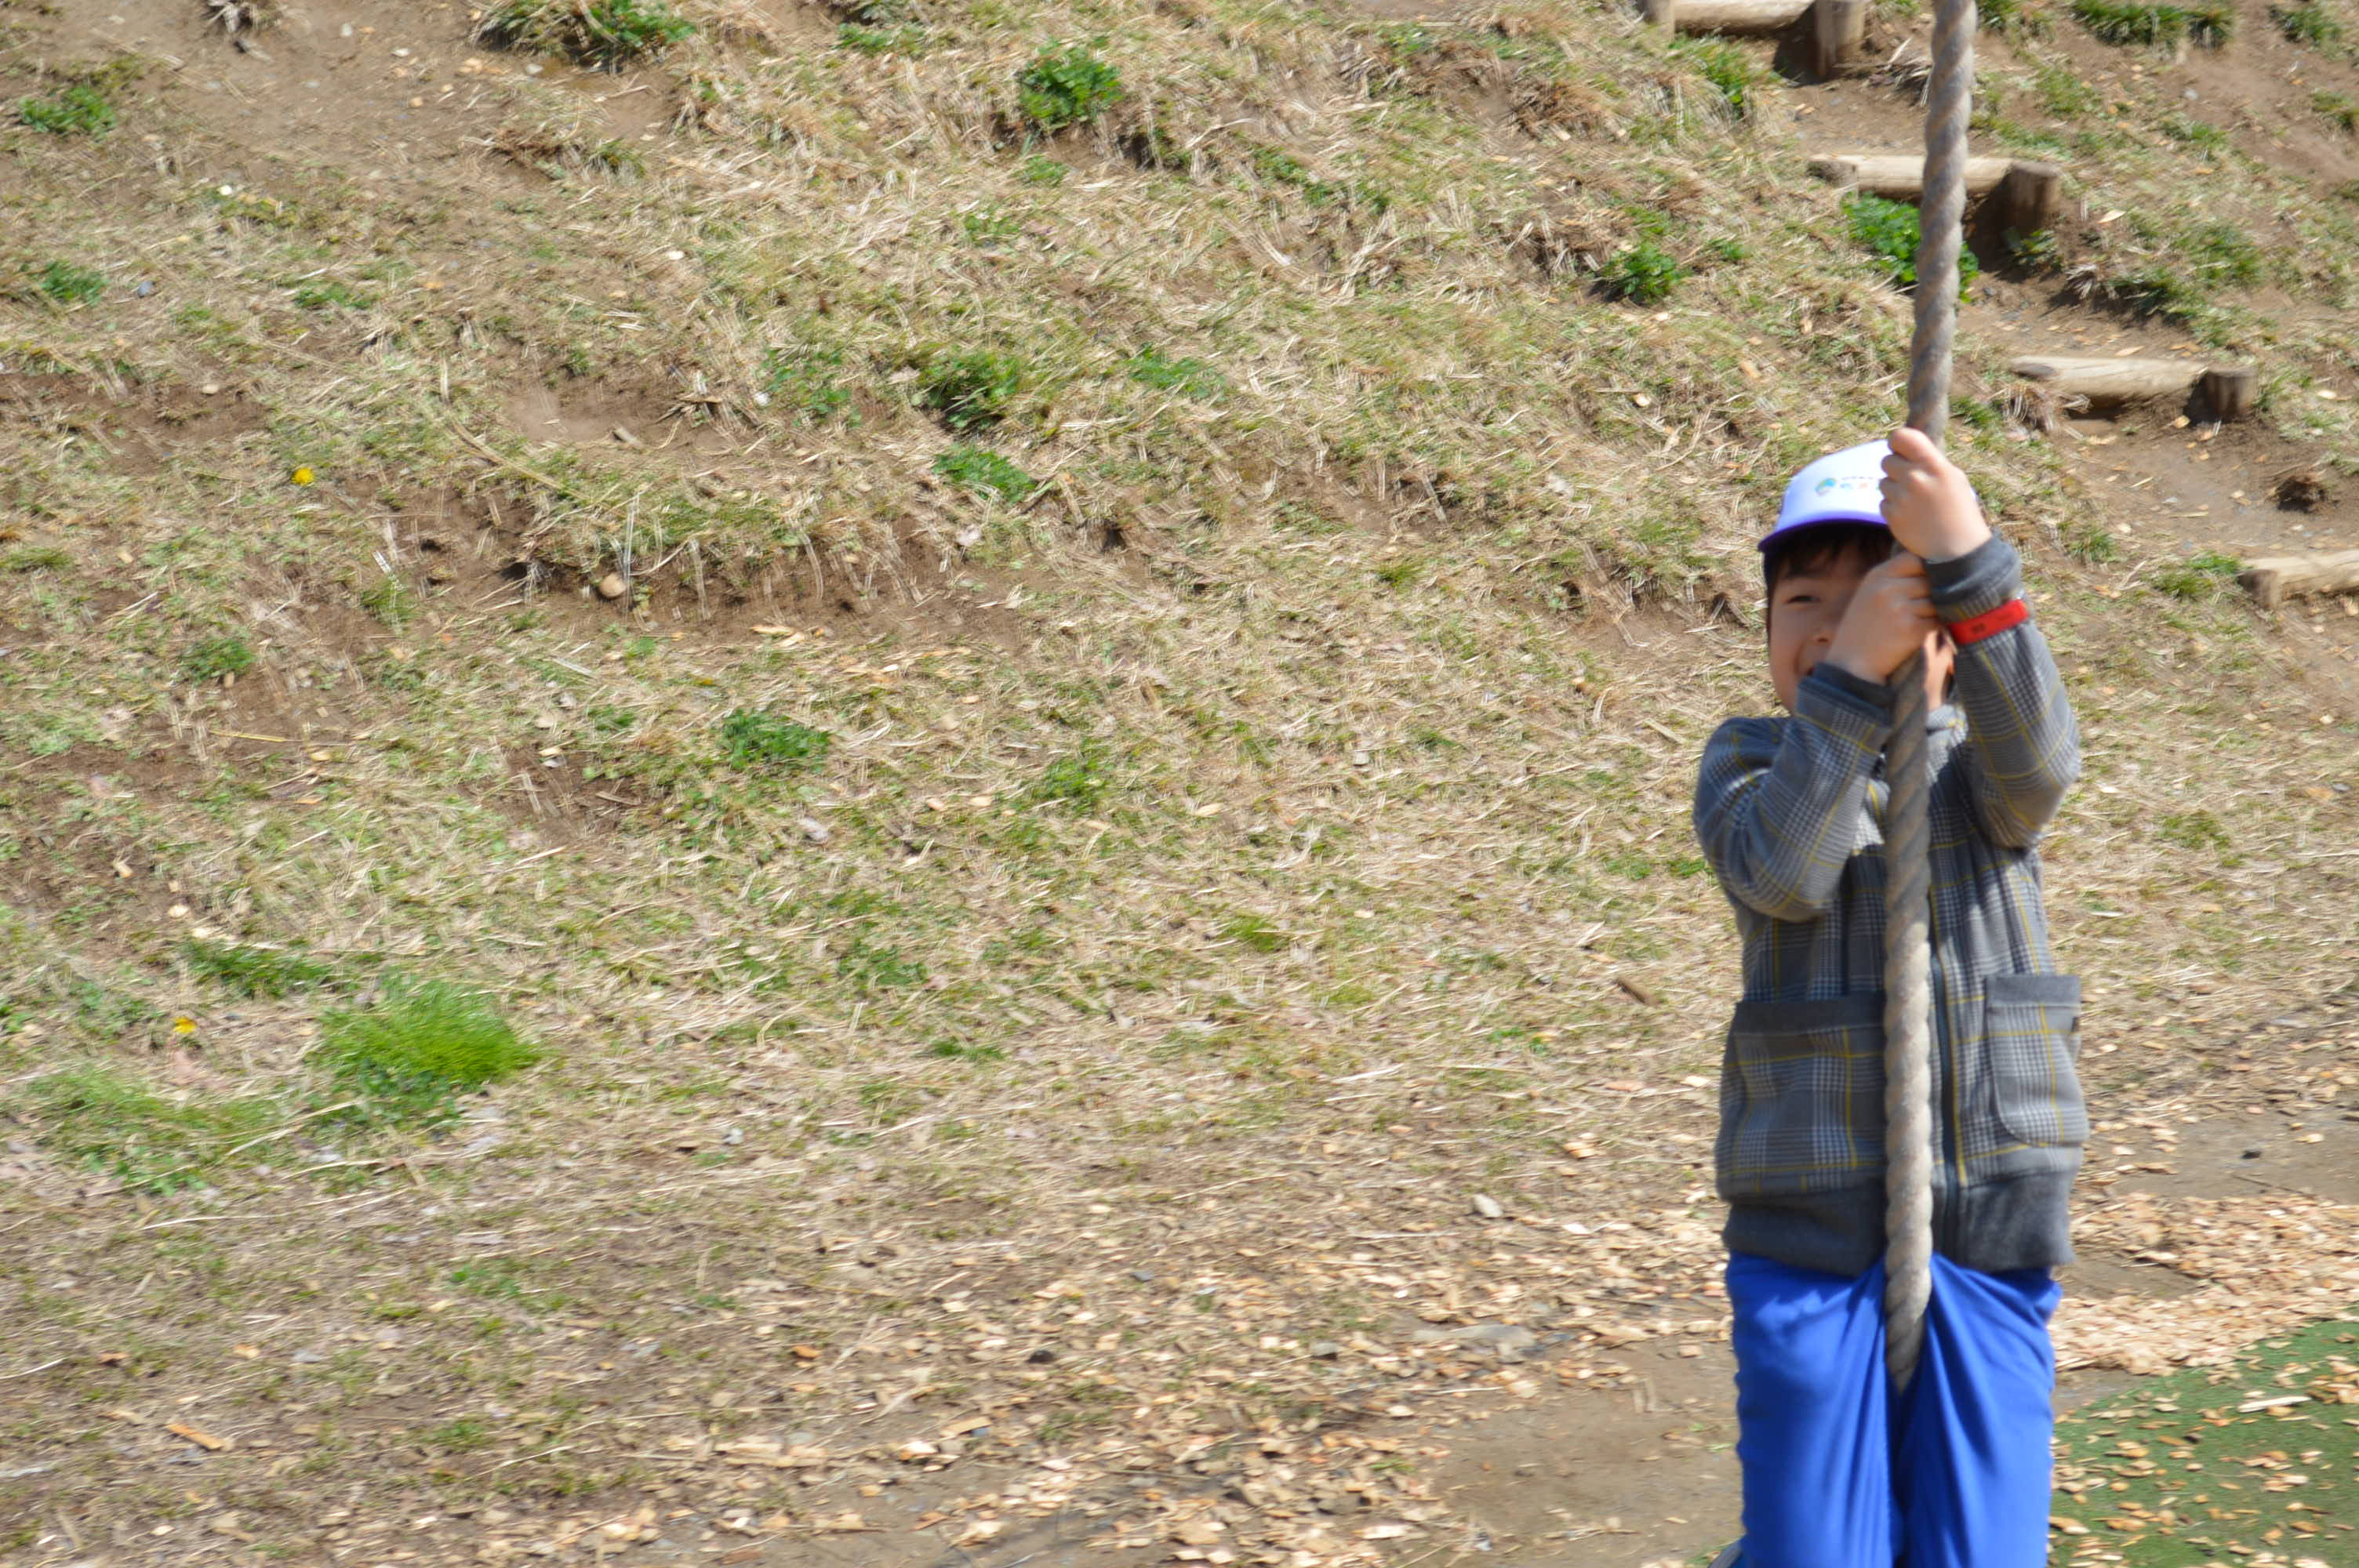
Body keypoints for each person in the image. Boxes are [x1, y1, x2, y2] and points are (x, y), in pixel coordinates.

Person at [1691, 428, 2086, 1568]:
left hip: (1989, 1226)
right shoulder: (1754, 764)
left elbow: (2044, 763)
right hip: (1808, 1240)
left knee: (1983, 1554)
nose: (1827, 622)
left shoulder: (1978, 778)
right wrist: (1852, 681)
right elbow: (1785, 870)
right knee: (1818, 1552)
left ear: (1941, 629)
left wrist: (1972, 565)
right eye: (1802, 599)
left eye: (1872, 594)